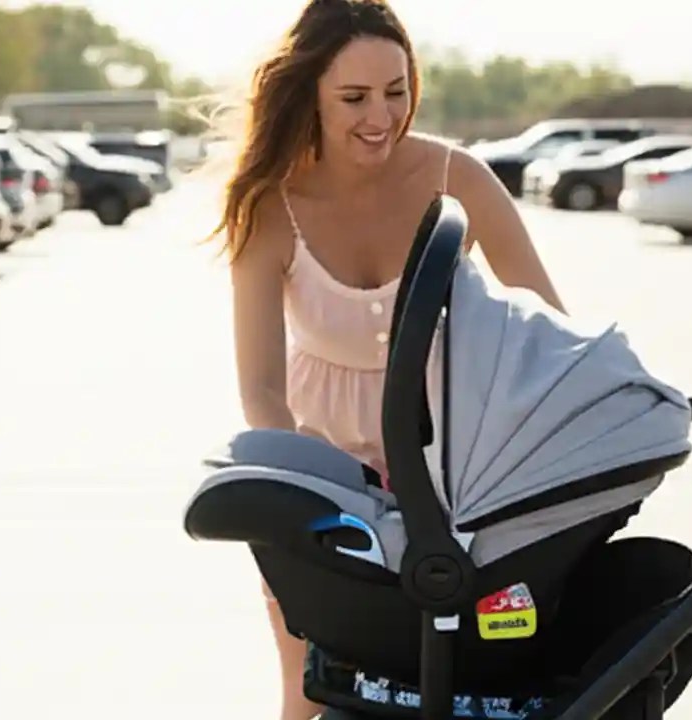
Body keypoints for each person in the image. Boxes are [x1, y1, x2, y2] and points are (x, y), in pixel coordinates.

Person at [210, 1, 565, 718]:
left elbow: (554, 337)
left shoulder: (458, 177)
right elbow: (262, 391)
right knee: (310, 690)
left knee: (472, 681)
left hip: (456, 474)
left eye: (396, 91)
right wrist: (327, 493)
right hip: (324, 479)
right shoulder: (269, 205)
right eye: (354, 98)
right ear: (310, 92)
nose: (381, 116)